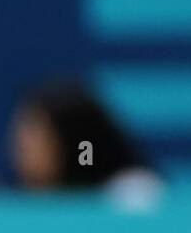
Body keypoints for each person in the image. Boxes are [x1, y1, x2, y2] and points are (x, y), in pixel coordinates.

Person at [9, 80, 162, 196]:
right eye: (20, 140)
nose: (20, 149)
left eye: (33, 139)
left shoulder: (131, 192)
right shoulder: (26, 202)